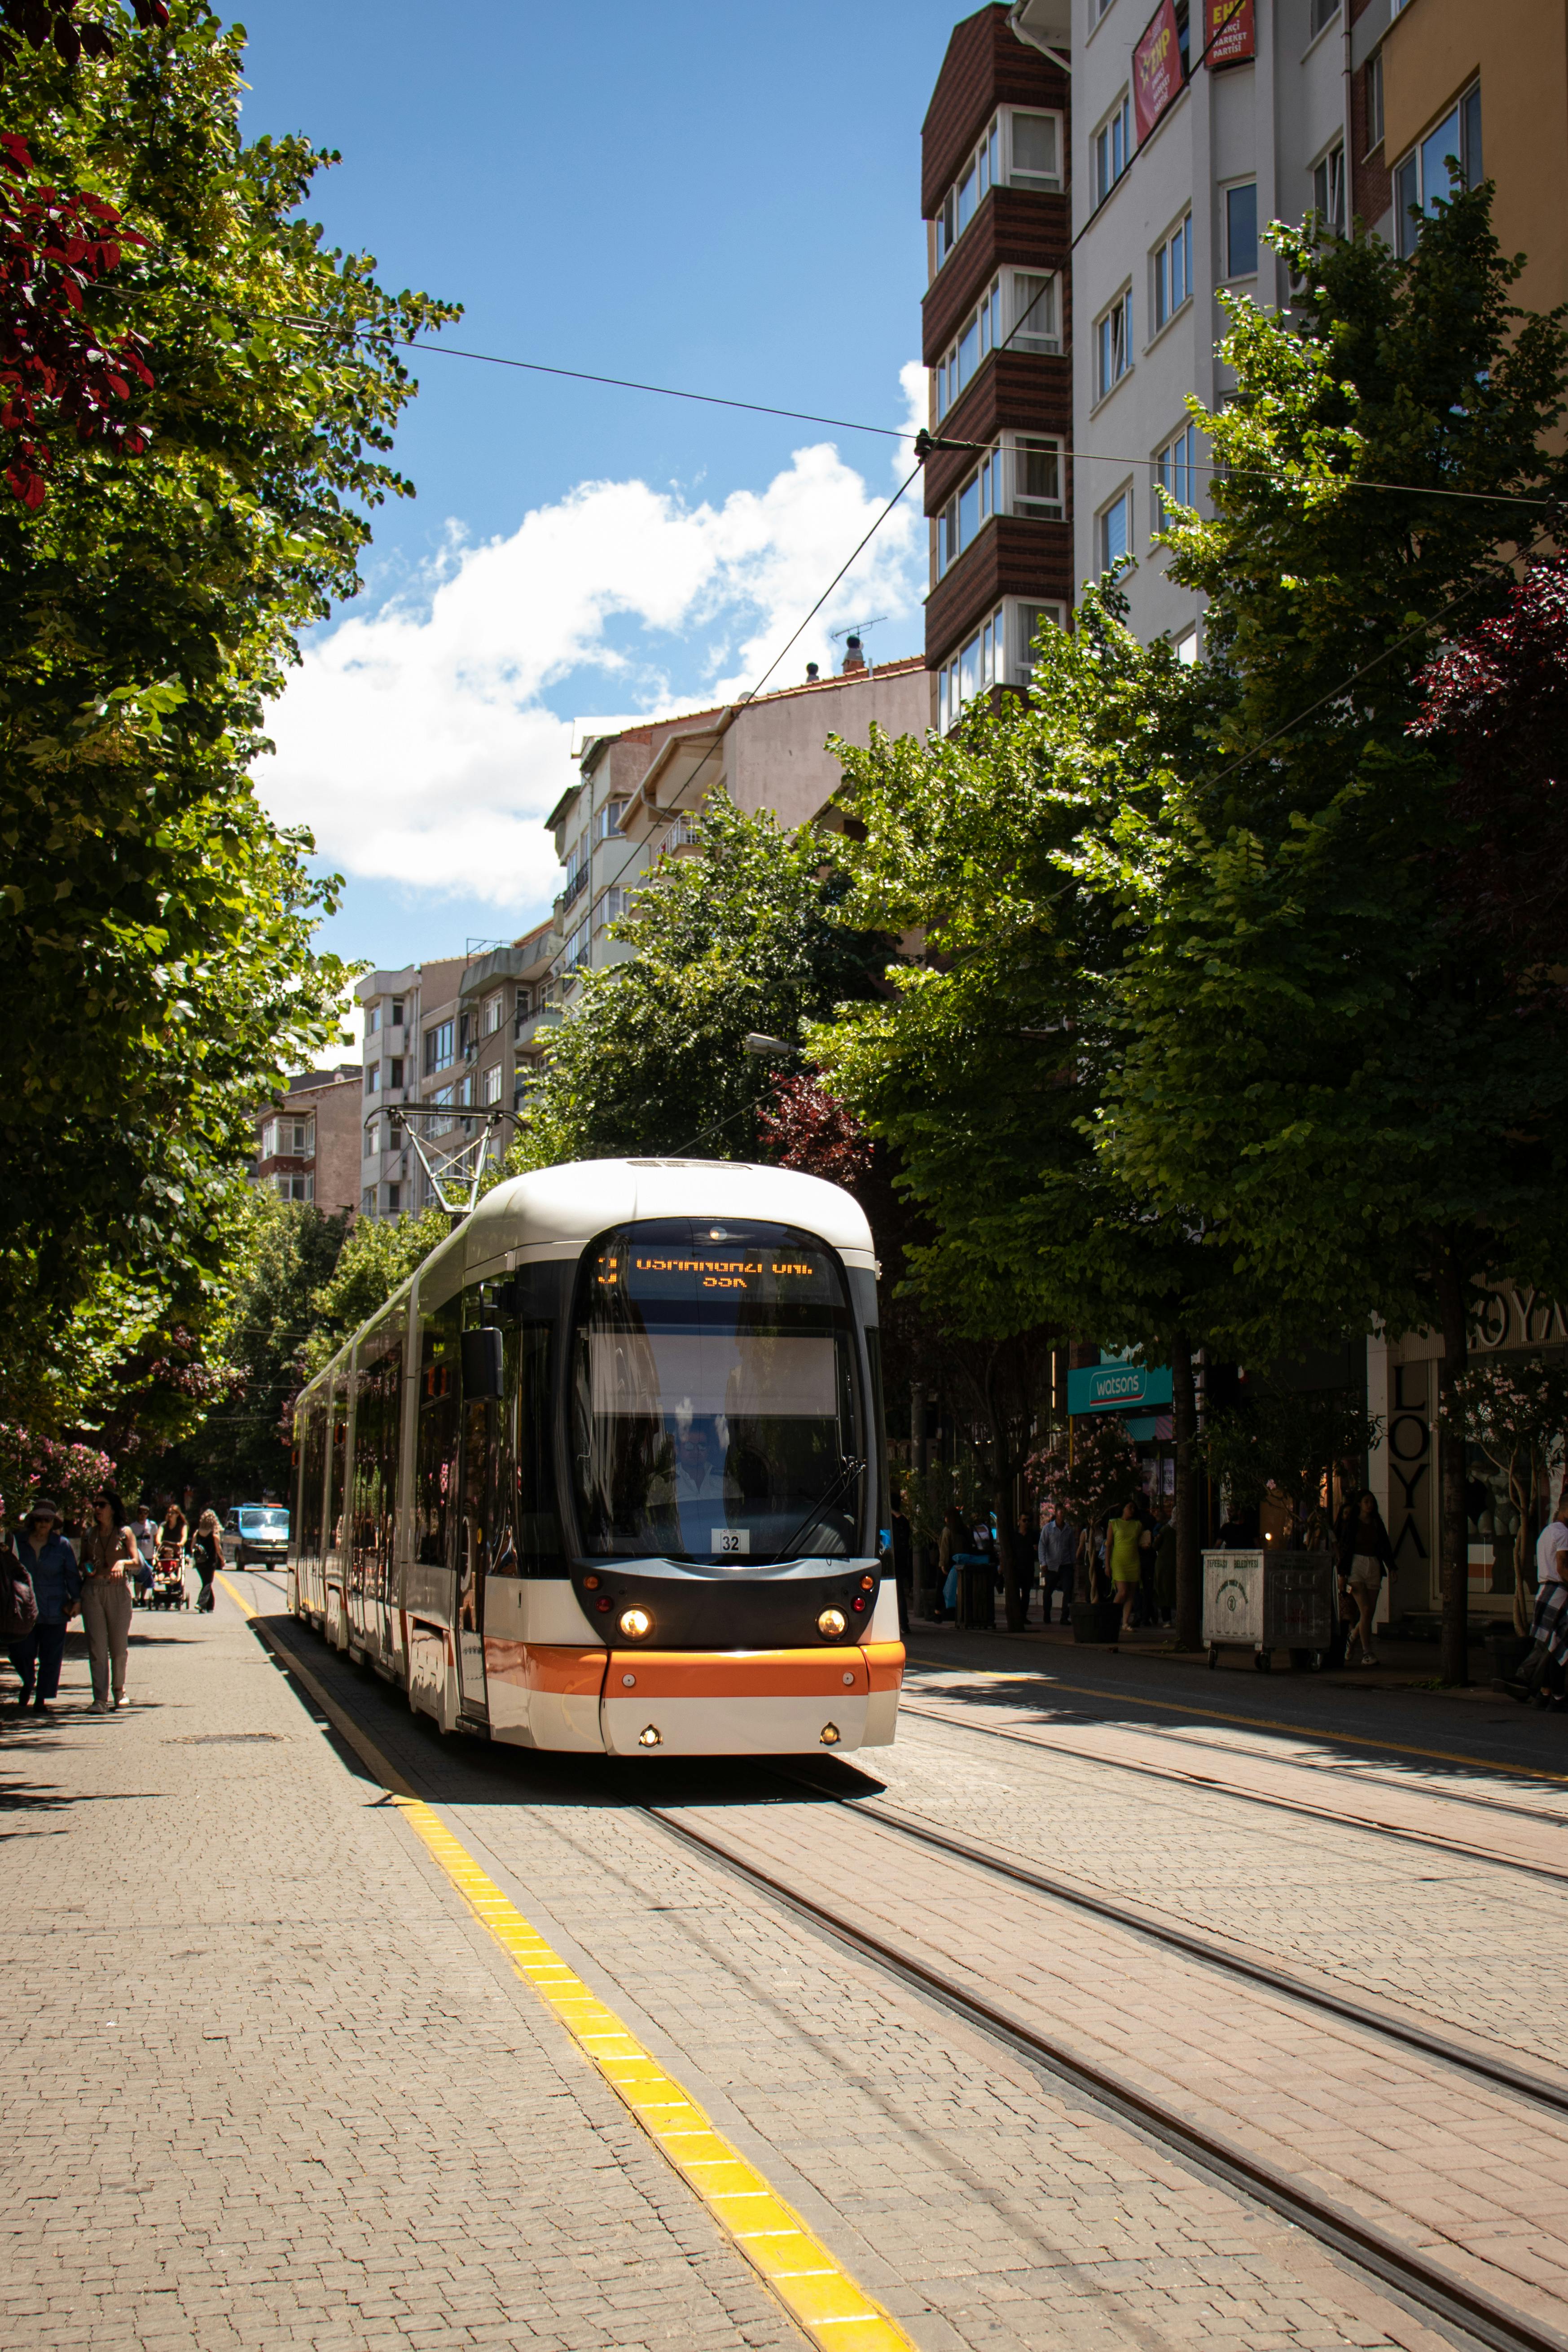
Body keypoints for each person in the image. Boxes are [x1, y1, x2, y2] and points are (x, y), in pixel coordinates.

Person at [8, 1496, 81, 1711]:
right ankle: (28, 1681)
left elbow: (72, 1575)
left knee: (51, 1656)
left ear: (53, 1523)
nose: (43, 1524)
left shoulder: (62, 1545)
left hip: (55, 1609)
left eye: (47, 1520)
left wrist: (77, 1600)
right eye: (39, 1519)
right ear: (33, 1520)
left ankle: (41, 1698)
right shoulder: (18, 1542)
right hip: (23, 1609)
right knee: (20, 1651)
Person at [80, 1488, 138, 1711]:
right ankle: (99, 1699)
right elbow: (82, 1563)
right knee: (97, 1647)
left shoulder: (125, 1533)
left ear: (113, 1509)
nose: (97, 1509)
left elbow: (137, 1562)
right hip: (93, 1591)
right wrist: (88, 1568)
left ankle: (119, 1690)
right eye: (95, 1505)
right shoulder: (89, 1534)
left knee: (118, 1647)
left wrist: (123, 1563)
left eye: (102, 1505)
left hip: (117, 1592)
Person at [1338, 1489, 1395, 1667]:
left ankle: (1353, 1636)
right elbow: (1345, 1548)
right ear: (1360, 1504)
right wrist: (1342, 1574)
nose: (1370, 1505)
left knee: (1368, 1613)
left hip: (1374, 1565)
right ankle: (1367, 1652)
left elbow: (1385, 1546)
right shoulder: (1353, 1524)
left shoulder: (1377, 1523)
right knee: (1366, 1609)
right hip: (1356, 1566)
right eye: (1366, 1502)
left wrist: (1391, 1567)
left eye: (1372, 1502)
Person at [1107, 1499, 1151, 1635]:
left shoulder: (1137, 1525)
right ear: (1123, 1508)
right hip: (1119, 1560)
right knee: (1123, 1591)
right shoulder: (1114, 1523)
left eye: (1134, 1508)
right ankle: (1112, 1617)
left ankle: (1125, 1622)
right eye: (1130, 1507)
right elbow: (1109, 1545)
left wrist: (1146, 1544)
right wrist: (1107, 1565)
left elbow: (1143, 1538)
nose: (1132, 1510)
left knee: (1131, 1594)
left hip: (1134, 1561)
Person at [1038, 1505, 1077, 1626]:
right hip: (1052, 1565)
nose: (1062, 1515)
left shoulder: (1068, 1530)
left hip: (1066, 1564)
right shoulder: (1048, 1528)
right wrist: (1043, 1562)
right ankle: (1047, 1613)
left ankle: (1065, 1616)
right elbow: (1042, 1545)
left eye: (1064, 1513)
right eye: (1060, 1512)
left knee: (1068, 1590)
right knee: (1048, 1591)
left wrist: (1073, 1562)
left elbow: (1072, 1547)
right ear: (1056, 1513)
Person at [937, 1505, 966, 1623]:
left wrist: (943, 1564)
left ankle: (942, 1612)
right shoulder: (964, 1529)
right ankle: (958, 1611)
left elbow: (945, 1548)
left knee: (944, 1587)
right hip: (962, 1562)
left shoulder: (947, 1530)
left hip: (950, 1563)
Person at [1151, 1499, 1177, 1628]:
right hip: (1175, 1564)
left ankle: (1167, 1619)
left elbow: (1155, 1546)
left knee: (1163, 1591)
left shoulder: (1165, 1530)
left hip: (1164, 1564)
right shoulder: (1184, 1530)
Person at [1535, 1492, 1568, 1593]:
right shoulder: (1563, 1533)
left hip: (1544, 1589)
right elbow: (1562, 1568)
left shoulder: (1548, 1531)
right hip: (1557, 1590)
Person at [191, 1509, 223, 1612]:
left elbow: (192, 1547)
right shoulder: (214, 1534)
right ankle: (201, 1604)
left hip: (200, 1562)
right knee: (208, 1583)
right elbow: (219, 1550)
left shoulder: (197, 1533)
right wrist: (223, 1560)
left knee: (206, 1582)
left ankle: (210, 1607)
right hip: (210, 1562)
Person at [889, 1493, 913, 1634]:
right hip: (903, 1558)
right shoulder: (904, 1521)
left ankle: (897, 1622)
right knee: (900, 1592)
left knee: (893, 1591)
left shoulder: (889, 1520)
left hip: (892, 1558)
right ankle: (904, 1623)